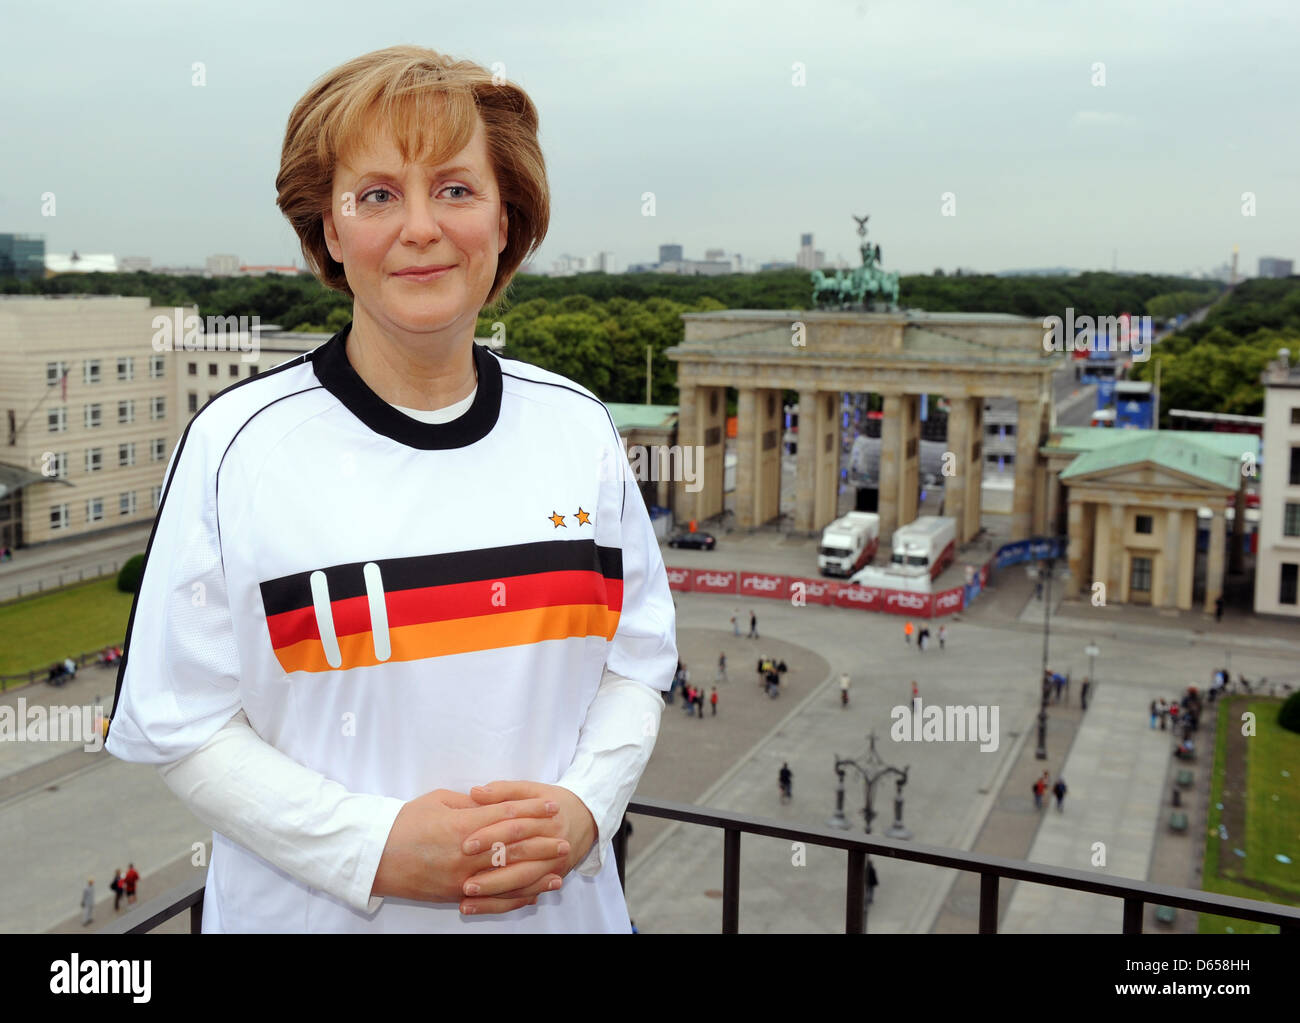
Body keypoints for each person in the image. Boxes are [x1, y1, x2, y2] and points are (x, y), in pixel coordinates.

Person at [104, 46, 678, 935]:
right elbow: (179, 720)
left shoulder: (579, 427)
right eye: (377, 195)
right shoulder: (236, 443)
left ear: (505, 217)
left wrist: (584, 810)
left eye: (455, 189)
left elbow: (637, 662)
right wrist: (370, 847)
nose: (420, 227)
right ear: (330, 232)